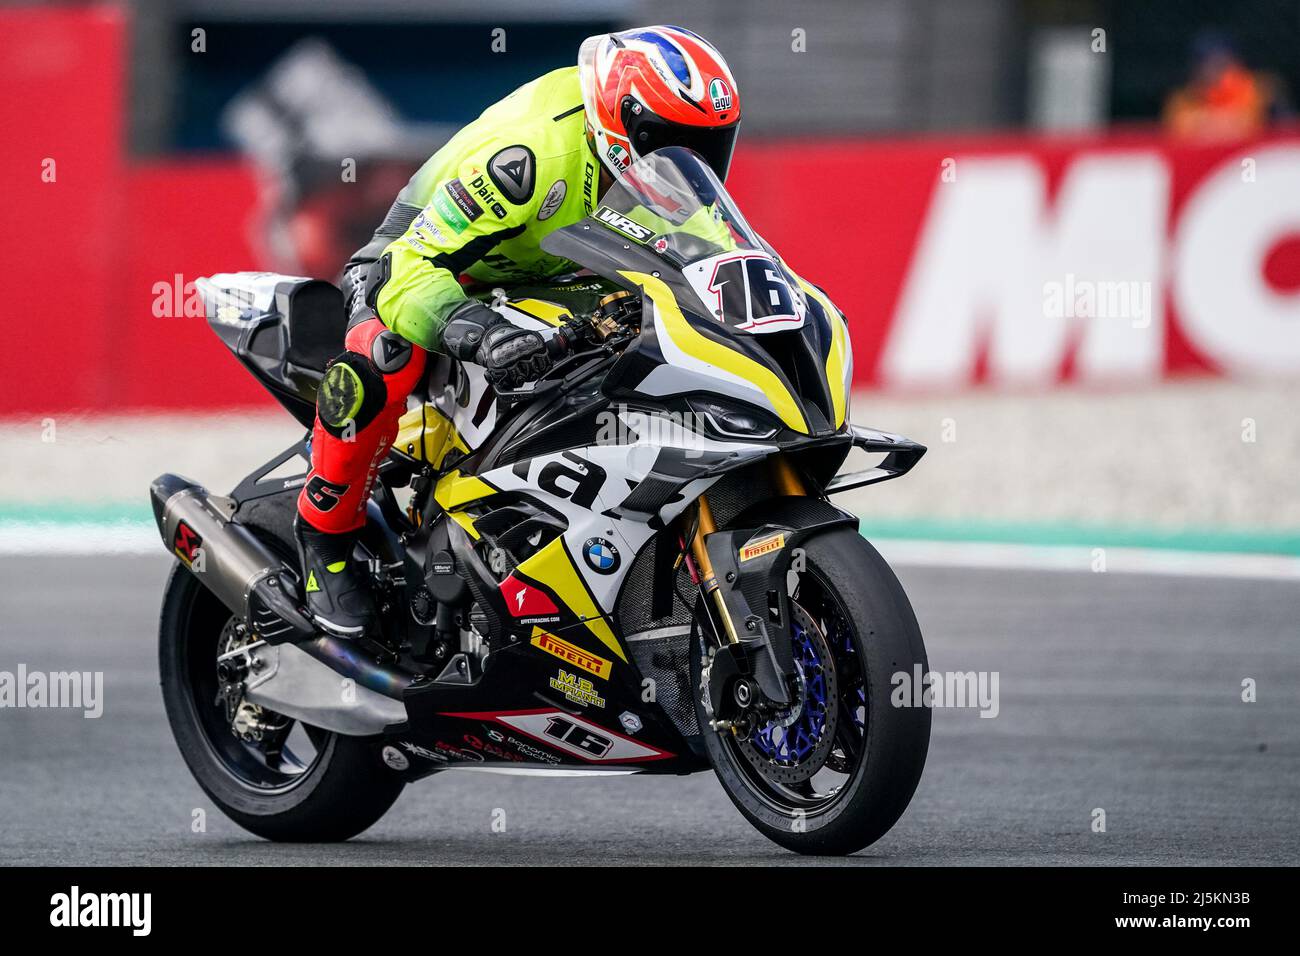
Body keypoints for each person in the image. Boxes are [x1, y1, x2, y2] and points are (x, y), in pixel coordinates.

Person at [295, 26, 743, 637]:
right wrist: (469, 328)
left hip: (541, 273)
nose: (689, 162)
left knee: (638, 330)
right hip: (417, 263)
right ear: (620, 124)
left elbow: (711, 265)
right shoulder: (531, 157)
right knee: (386, 353)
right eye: (671, 142)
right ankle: (325, 531)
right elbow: (406, 270)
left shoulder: (662, 181)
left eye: (707, 145)